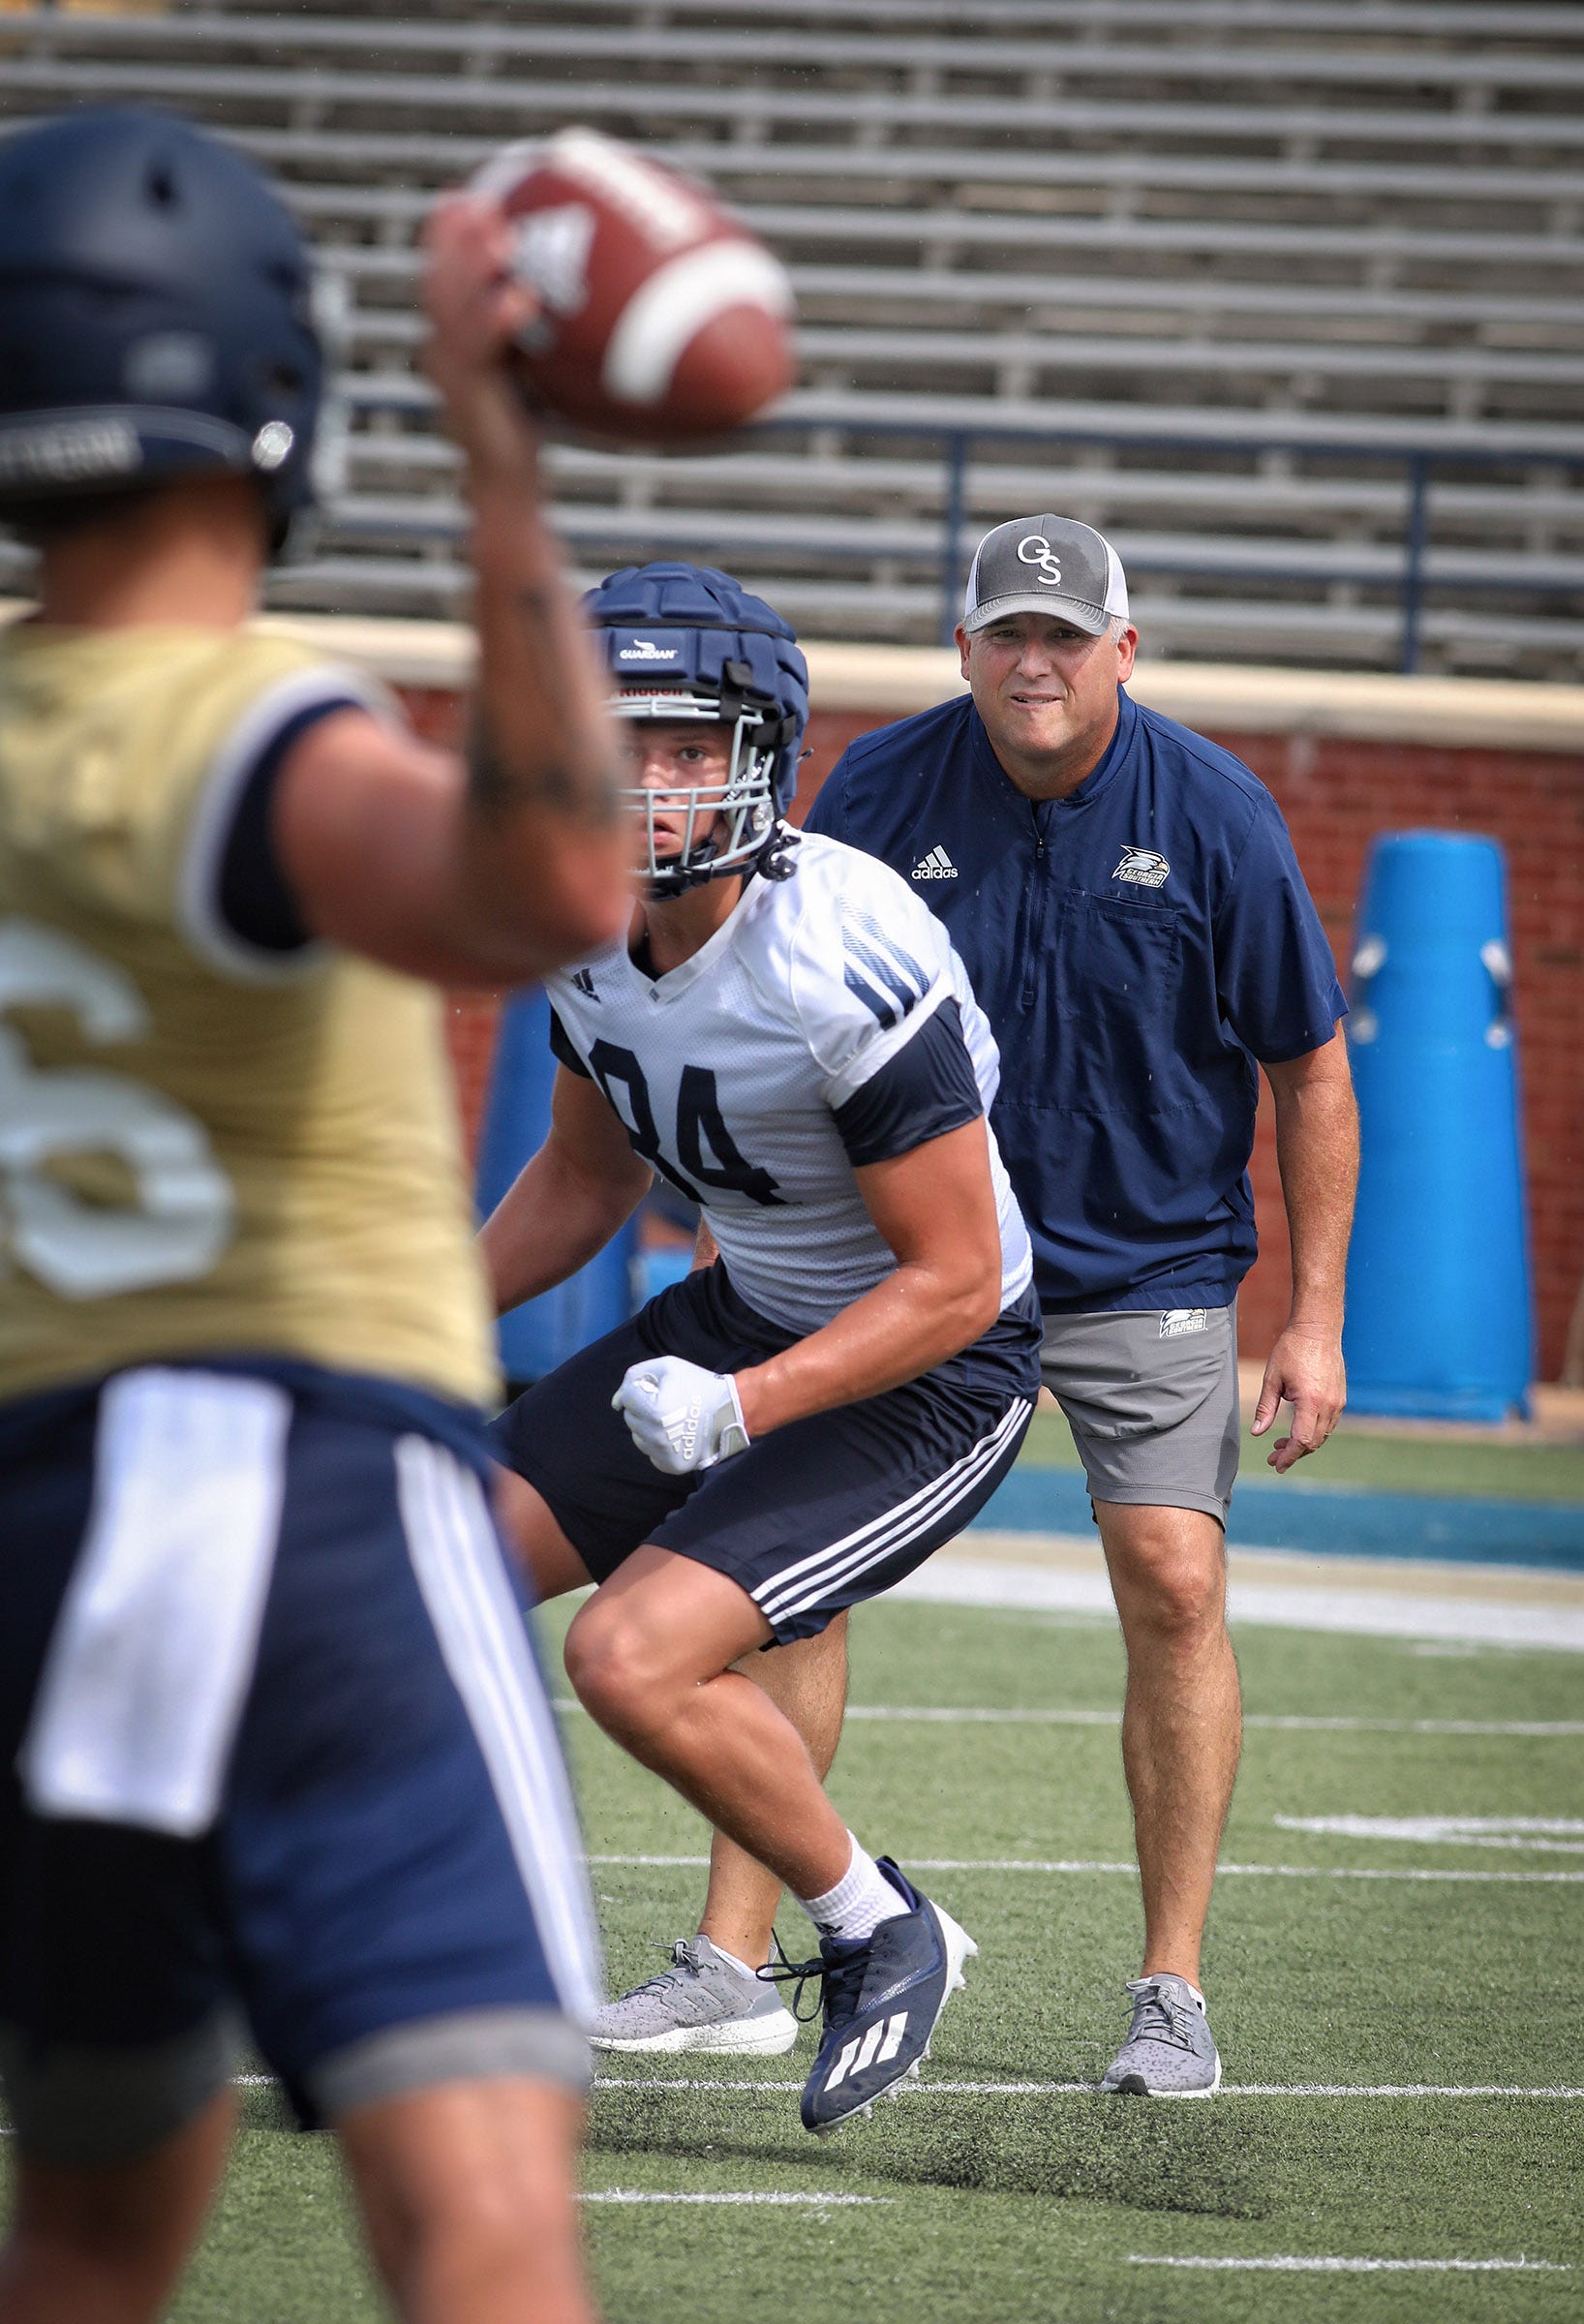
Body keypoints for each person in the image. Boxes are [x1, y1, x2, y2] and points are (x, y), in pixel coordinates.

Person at [0, 109, 632, 2324]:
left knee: (82, 2235)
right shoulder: (256, 728)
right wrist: (502, 458)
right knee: (478, 2232)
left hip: (36, 1531)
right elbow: (556, 886)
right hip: (300, 1501)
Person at [602, 515, 1358, 2100]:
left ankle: (1171, 1989)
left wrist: (1315, 1316)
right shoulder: (878, 787)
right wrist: (736, 1231)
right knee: (789, 1578)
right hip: (909, 1263)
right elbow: (770, 999)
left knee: (1171, 1575)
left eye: (1067, 636)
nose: (1037, 660)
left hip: (1144, 1262)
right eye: (1008, 631)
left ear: (1124, 655)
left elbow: (1309, 1064)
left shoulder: (1216, 811)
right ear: (963, 650)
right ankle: (734, 1964)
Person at [479, 560, 1043, 2135]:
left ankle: (878, 1927)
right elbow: (586, 1179)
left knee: (627, 1657)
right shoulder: (584, 922)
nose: (649, 781)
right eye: (618, 739)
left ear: (762, 757)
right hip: (745, 1320)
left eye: (685, 743)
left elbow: (955, 1276)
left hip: (932, 1370)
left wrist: (742, 1407)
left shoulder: (838, 952)